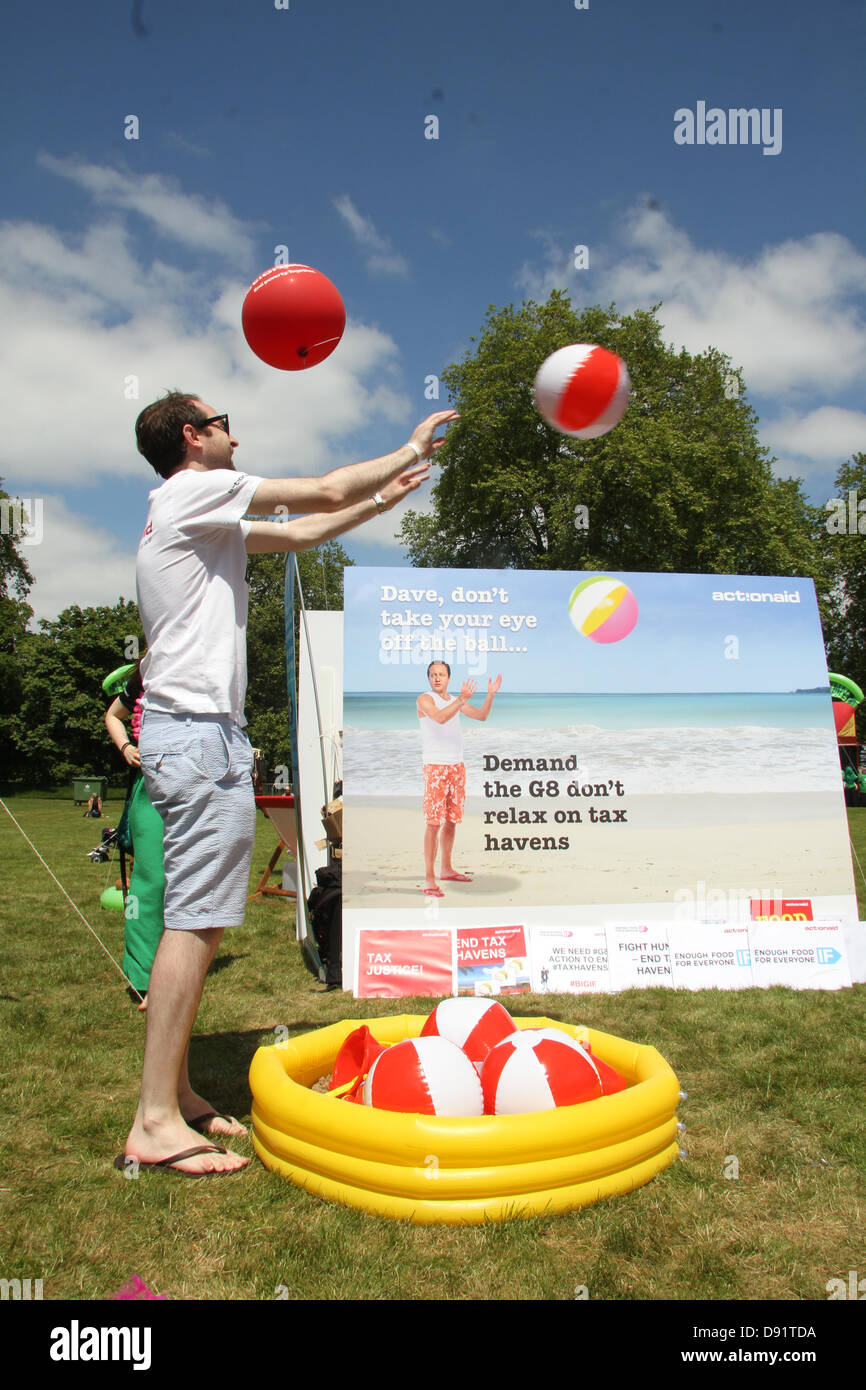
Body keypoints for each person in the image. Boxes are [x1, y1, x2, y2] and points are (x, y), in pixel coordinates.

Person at [119, 391, 455, 1176]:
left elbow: (306, 529)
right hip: (196, 734)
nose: (236, 429)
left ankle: (176, 1093)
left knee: (202, 918)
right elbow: (322, 490)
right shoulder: (192, 490)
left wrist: (382, 499)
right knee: (195, 921)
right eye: (222, 418)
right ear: (193, 437)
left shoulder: (198, 516)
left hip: (206, 735)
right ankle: (155, 1121)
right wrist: (409, 450)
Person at [105, 662, 164, 1010]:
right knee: (150, 880)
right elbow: (113, 715)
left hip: (195, 782)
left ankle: (174, 971)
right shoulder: (144, 672)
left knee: (187, 880)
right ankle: (145, 979)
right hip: (151, 785)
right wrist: (126, 747)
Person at [417, 661, 501, 897]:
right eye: (433, 675)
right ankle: (429, 879)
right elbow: (440, 718)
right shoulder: (424, 699)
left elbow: (482, 716)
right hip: (435, 767)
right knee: (434, 823)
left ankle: (446, 869)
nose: (437, 678)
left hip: (456, 766)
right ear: (429, 678)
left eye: (441, 674)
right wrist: (462, 700)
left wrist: (491, 695)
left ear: (448, 677)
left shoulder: (454, 700)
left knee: (452, 820)